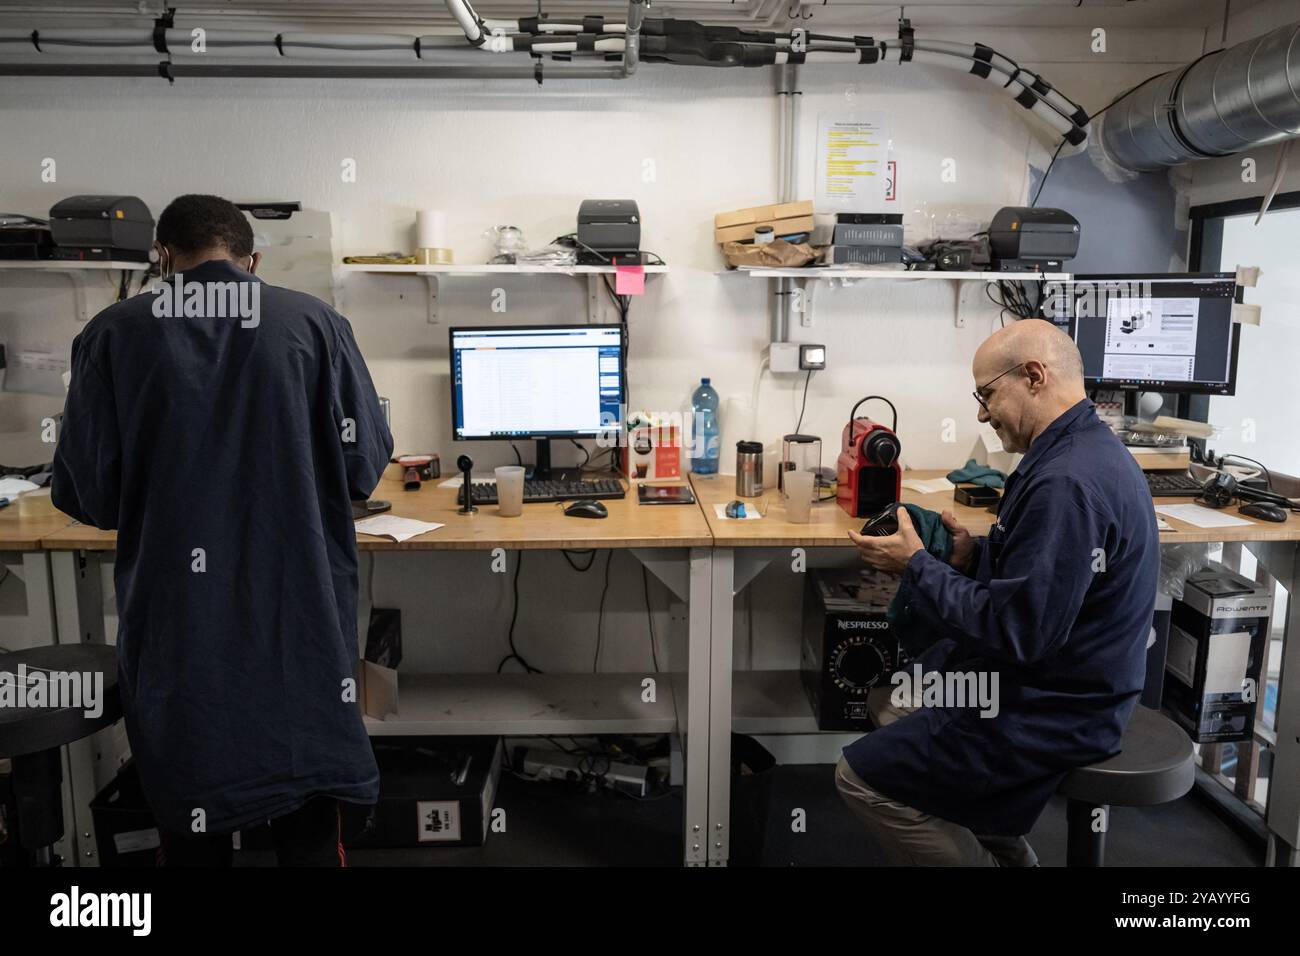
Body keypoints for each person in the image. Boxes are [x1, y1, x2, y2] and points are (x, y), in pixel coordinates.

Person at [51, 194, 392, 866]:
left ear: (164, 259)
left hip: (182, 623)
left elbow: (90, 495)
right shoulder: (317, 323)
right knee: (310, 820)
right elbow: (363, 468)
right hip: (299, 619)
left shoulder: (114, 333)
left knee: (192, 810)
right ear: (252, 260)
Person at [837, 319, 1159, 866]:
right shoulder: (1078, 450)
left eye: (987, 395)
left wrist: (916, 564)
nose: (982, 413)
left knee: (858, 778)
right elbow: (1049, 582)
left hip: (1056, 708)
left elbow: (1018, 632)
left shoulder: (1065, 483)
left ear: (1033, 375)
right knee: (897, 704)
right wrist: (972, 558)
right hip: (1067, 682)